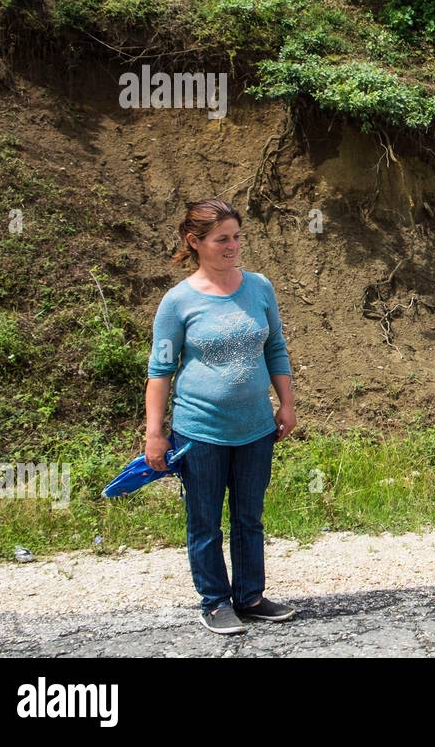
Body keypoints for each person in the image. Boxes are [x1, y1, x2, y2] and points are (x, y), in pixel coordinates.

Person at [144, 198, 298, 635]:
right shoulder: (178, 302)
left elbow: (275, 348)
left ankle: (250, 596)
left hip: (255, 428)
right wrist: (155, 433)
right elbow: (160, 371)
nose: (232, 246)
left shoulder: (260, 288)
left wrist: (286, 404)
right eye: (221, 239)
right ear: (194, 242)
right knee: (205, 520)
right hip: (200, 431)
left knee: (249, 517)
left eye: (236, 237)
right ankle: (214, 602)